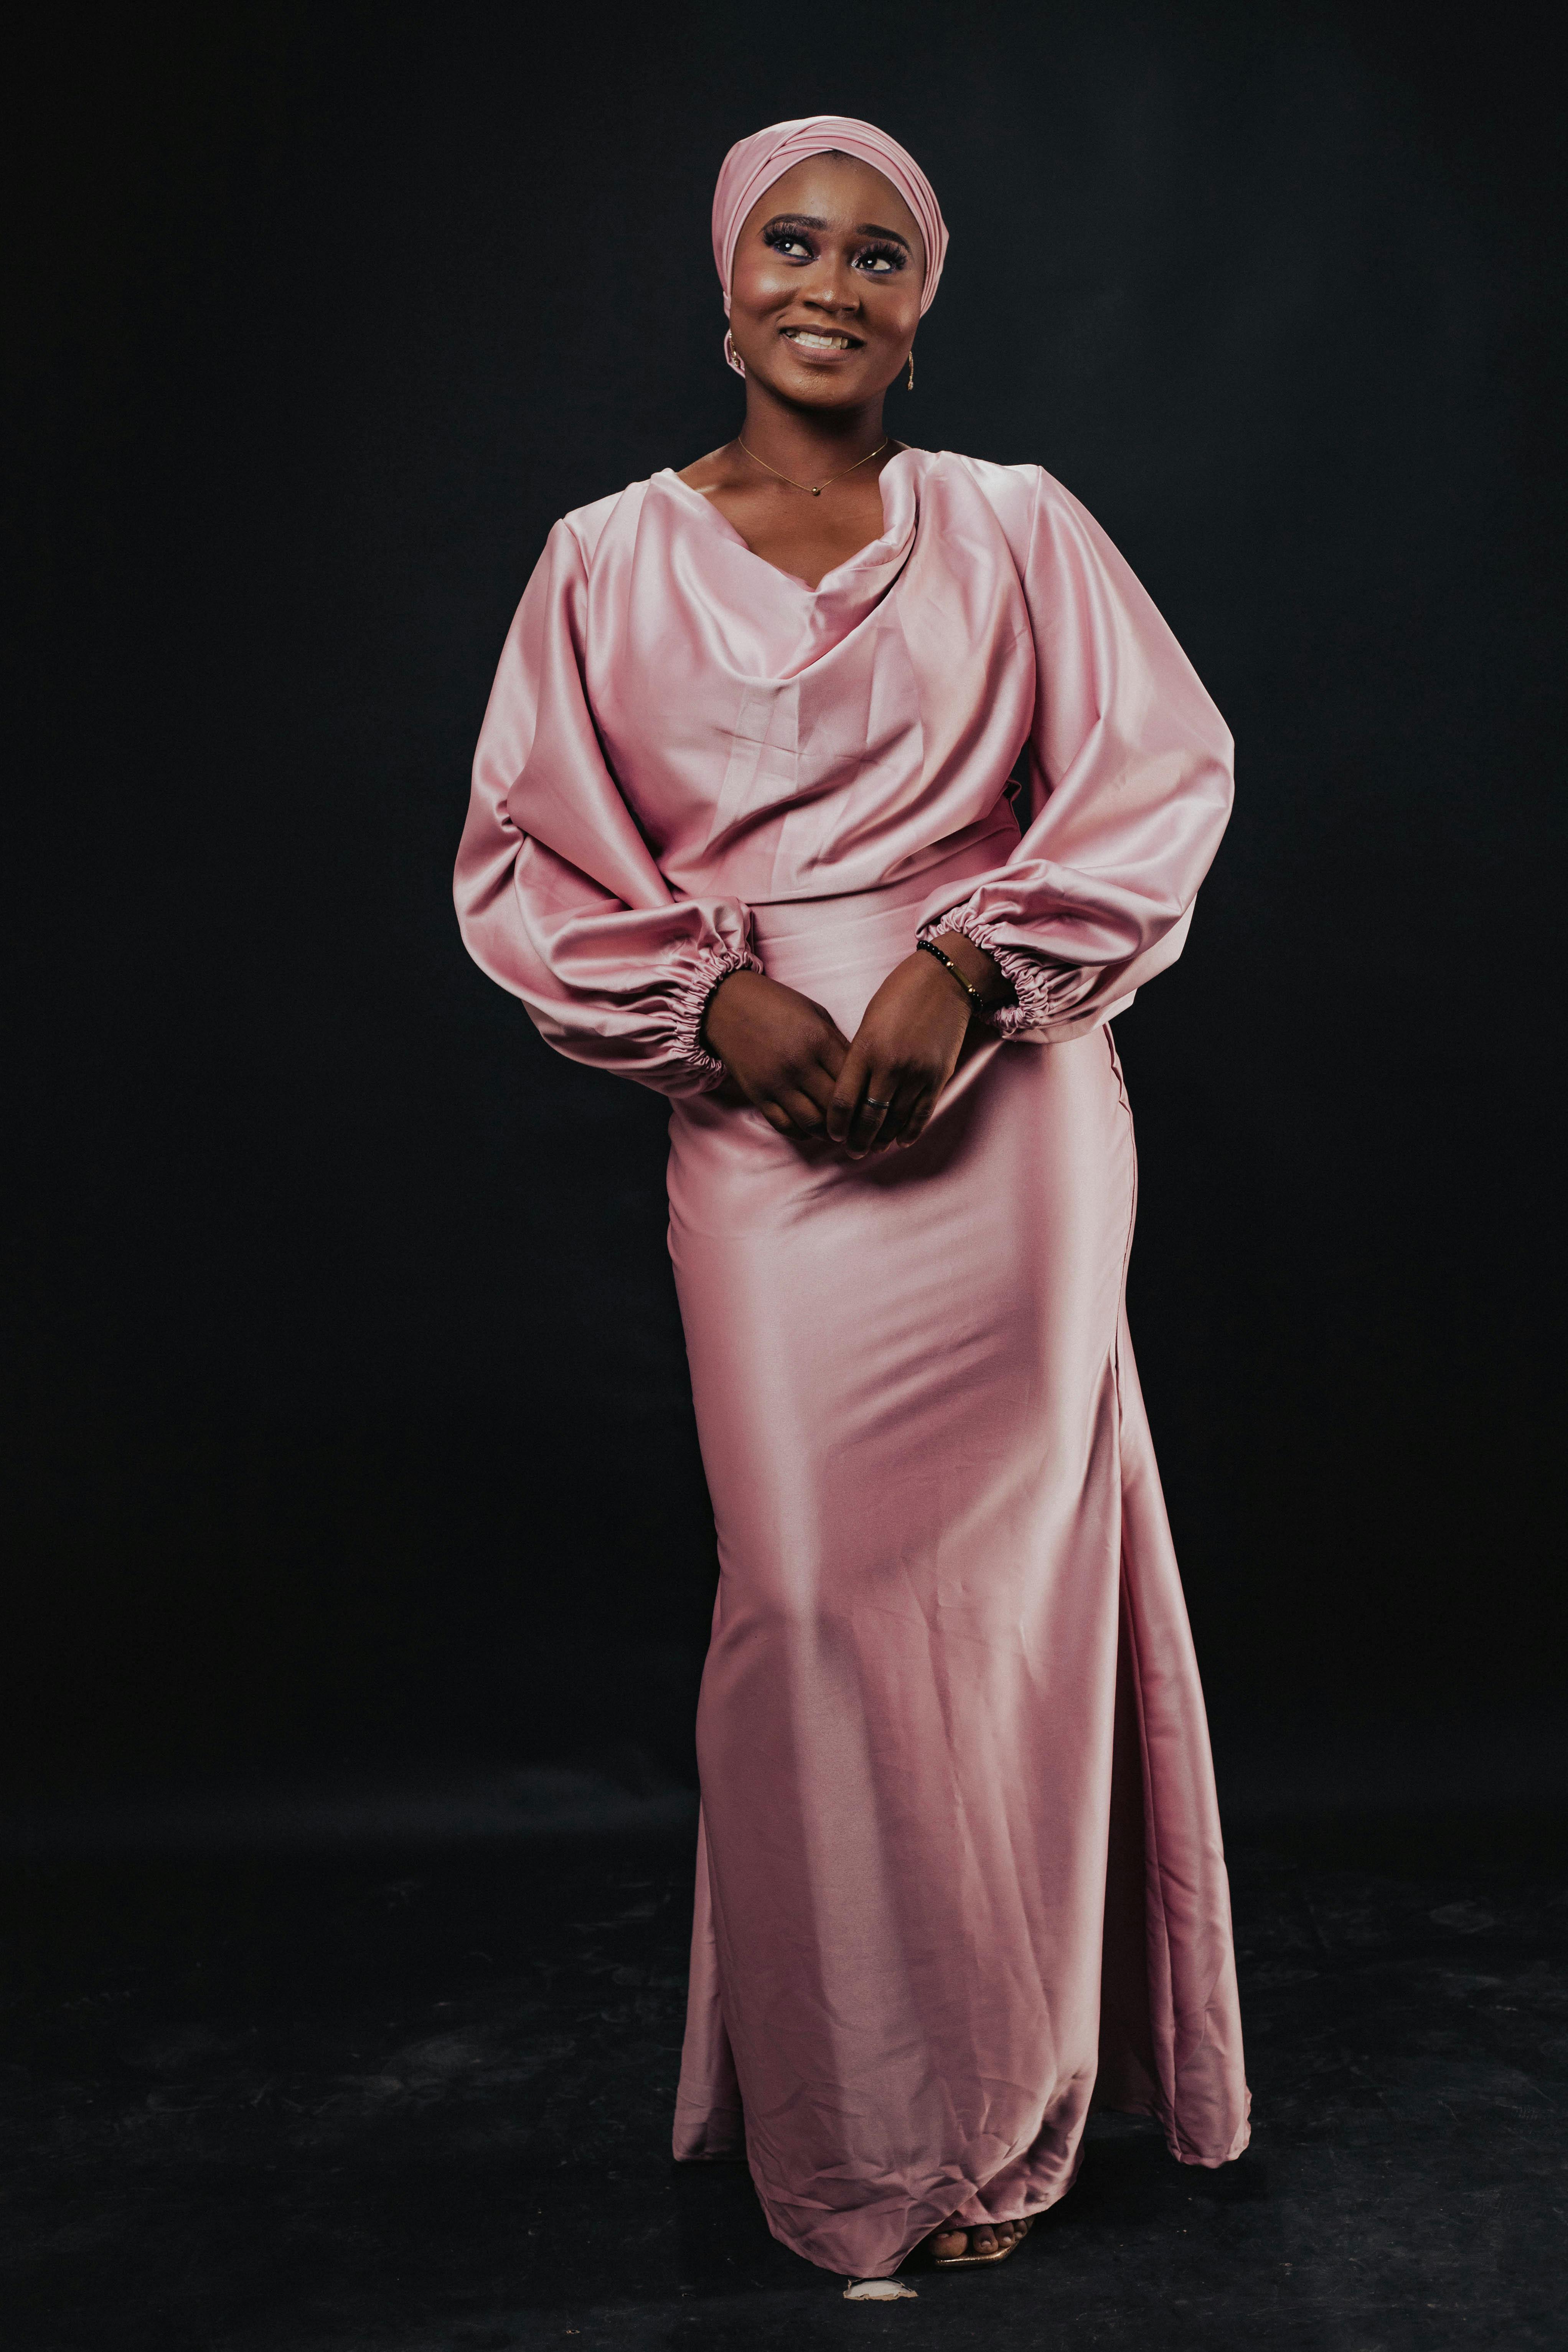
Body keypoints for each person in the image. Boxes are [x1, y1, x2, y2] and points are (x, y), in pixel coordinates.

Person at [455, 113, 1250, 2288]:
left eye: (877, 254)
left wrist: (969, 967)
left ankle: (989, 2118)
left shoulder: (1015, 524)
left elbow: (1157, 779)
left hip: (1009, 1130)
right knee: (805, 1606)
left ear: (925, 301)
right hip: (760, 1134)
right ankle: (846, 2117)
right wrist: (721, 1008)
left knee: (997, 1619)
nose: (829, 280)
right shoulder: (601, 558)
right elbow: (532, 864)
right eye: (789, 243)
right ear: (726, 283)